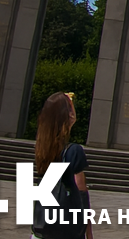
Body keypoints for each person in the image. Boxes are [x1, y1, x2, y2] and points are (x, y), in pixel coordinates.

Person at [32, 92, 92, 239]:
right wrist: (89, 234)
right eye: (71, 107)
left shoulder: (43, 149)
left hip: (43, 229)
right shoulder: (73, 151)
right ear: (69, 116)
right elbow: (82, 196)